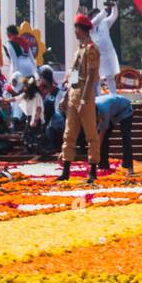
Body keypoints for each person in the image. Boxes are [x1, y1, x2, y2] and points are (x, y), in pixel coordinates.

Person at [57, 13, 101, 183]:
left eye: (76, 28)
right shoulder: (79, 49)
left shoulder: (91, 49)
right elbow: (74, 75)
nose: (74, 32)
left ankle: (93, 171)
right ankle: (66, 170)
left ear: (81, 29)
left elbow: (90, 76)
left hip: (86, 95)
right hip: (75, 93)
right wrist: (66, 96)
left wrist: (83, 100)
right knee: (69, 133)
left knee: (91, 133)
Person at [95, 93, 135, 175]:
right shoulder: (90, 106)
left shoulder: (103, 109)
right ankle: (103, 165)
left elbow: (103, 131)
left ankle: (129, 166)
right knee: (104, 138)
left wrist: (96, 149)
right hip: (113, 110)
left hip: (125, 110)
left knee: (125, 137)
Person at [89, 1, 121, 95]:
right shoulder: (91, 25)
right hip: (96, 55)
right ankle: (98, 97)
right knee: (97, 78)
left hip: (108, 54)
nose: (97, 16)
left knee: (110, 77)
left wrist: (114, 6)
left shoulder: (105, 23)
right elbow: (96, 20)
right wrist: (105, 10)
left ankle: (113, 96)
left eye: (97, 14)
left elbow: (114, 16)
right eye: (95, 15)